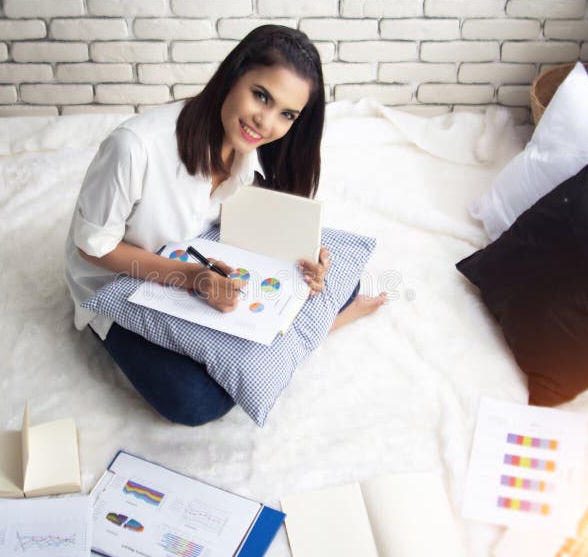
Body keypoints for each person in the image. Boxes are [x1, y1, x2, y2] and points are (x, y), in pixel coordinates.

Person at [65, 25, 386, 426]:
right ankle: (316, 332)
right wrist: (191, 279)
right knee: (196, 401)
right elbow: (93, 249)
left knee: (342, 281)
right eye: (261, 96)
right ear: (234, 74)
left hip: (200, 257)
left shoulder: (251, 149)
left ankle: (295, 339)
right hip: (120, 282)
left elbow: (252, 213)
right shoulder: (134, 147)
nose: (265, 123)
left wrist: (304, 251)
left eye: (287, 114)